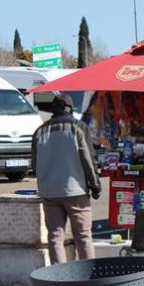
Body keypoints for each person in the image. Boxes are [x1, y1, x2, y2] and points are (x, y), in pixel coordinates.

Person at [32, 94, 101, 264]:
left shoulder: (39, 132)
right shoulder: (78, 127)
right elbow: (88, 160)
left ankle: (59, 276)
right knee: (83, 235)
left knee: (55, 236)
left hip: (49, 192)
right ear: (69, 108)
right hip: (75, 191)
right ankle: (88, 274)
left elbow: (34, 164)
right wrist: (95, 185)